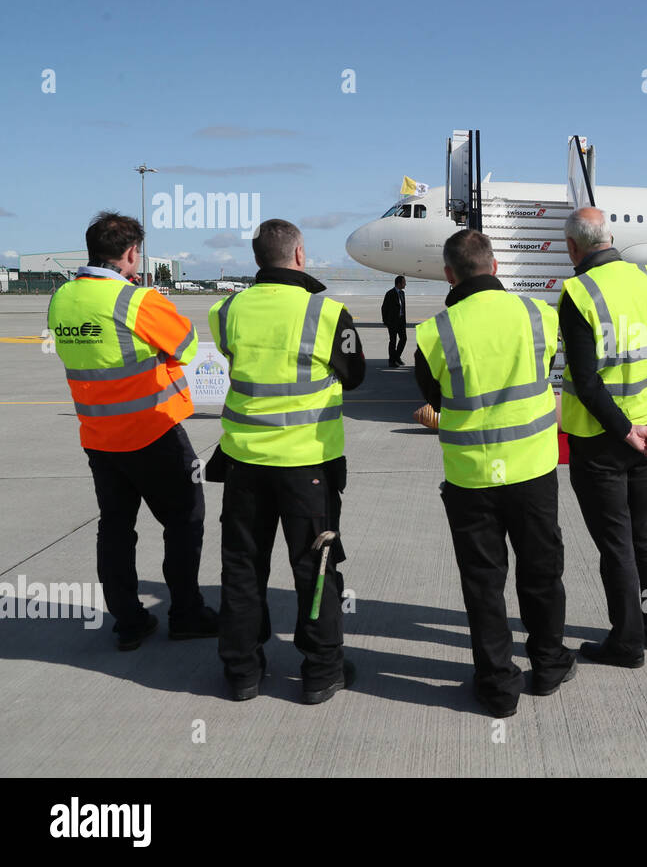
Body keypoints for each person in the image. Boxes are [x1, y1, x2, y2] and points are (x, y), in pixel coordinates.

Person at [413, 229, 575, 718]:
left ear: (449, 274)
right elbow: (545, 370)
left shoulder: (434, 332)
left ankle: (498, 686)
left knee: (483, 583)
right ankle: (548, 665)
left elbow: (435, 399)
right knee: (541, 571)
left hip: (471, 477)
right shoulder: (538, 316)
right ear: (495, 266)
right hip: (532, 471)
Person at [208, 219, 366, 703]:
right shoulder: (327, 312)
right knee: (315, 568)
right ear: (299, 255)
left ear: (258, 259)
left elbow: (234, 355)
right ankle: (321, 671)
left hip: (243, 463)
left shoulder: (227, 309)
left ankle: (242, 673)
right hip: (307, 466)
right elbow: (355, 375)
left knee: (242, 567)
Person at [47, 211, 218, 650]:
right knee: (185, 519)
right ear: (130, 253)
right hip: (151, 432)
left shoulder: (62, 297)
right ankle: (185, 612)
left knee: (116, 527)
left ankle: (128, 621)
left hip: (98, 437)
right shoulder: (136, 301)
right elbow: (187, 344)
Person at [559, 207, 647, 668]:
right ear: (609, 237)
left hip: (602, 439)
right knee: (645, 532)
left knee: (616, 544)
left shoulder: (578, 293)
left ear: (573, 247)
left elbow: (587, 381)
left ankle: (627, 642)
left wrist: (626, 430)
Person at [382, 275, 408, 367]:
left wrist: (404, 321)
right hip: (392, 322)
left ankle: (397, 357)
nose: (405, 284)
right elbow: (384, 308)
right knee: (393, 341)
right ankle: (391, 361)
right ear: (399, 283)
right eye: (404, 282)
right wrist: (385, 321)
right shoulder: (390, 293)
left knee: (404, 339)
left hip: (401, 321)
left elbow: (402, 308)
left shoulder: (402, 293)